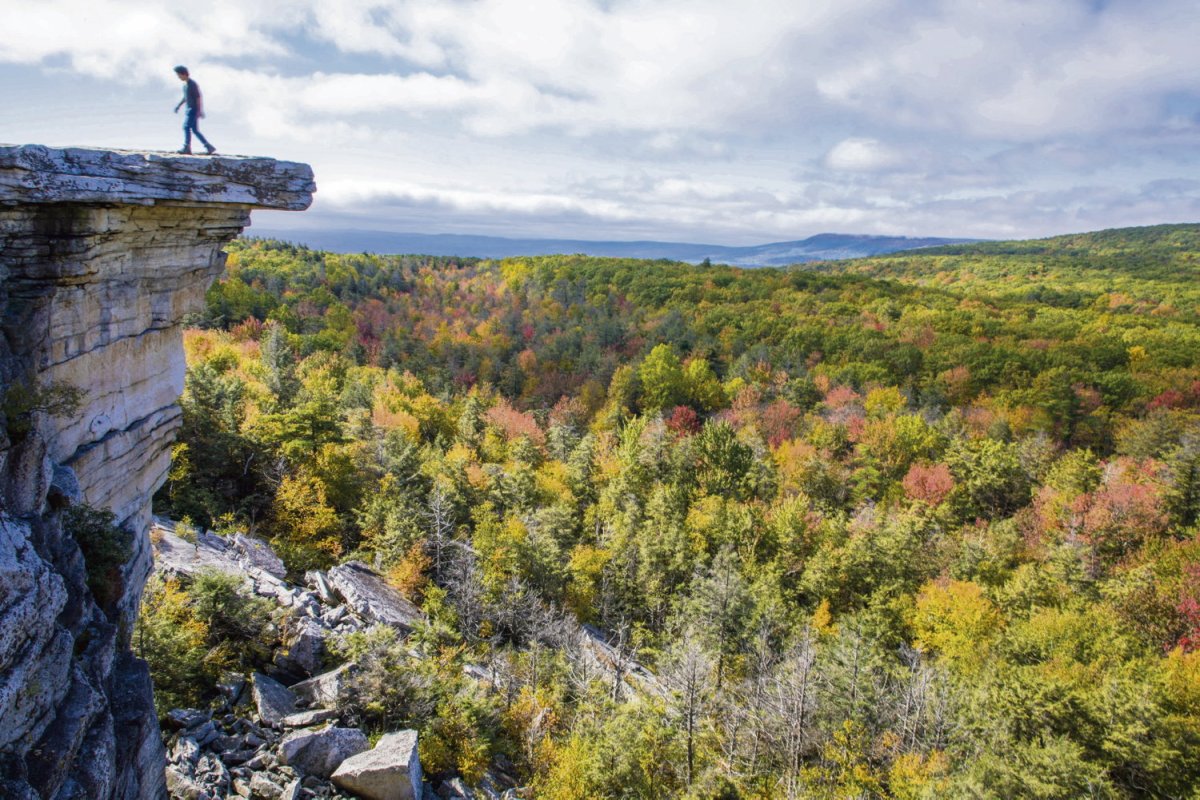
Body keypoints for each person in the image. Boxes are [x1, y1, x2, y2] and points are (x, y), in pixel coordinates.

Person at [173, 66, 216, 155]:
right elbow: (185, 97)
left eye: (179, 75)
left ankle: (187, 147)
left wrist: (200, 110)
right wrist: (178, 106)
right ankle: (209, 147)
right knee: (195, 130)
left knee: (186, 127)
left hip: (193, 110)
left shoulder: (192, 84)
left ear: (184, 74)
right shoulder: (185, 85)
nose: (178, 77)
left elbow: (198, 97)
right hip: (188, 109)